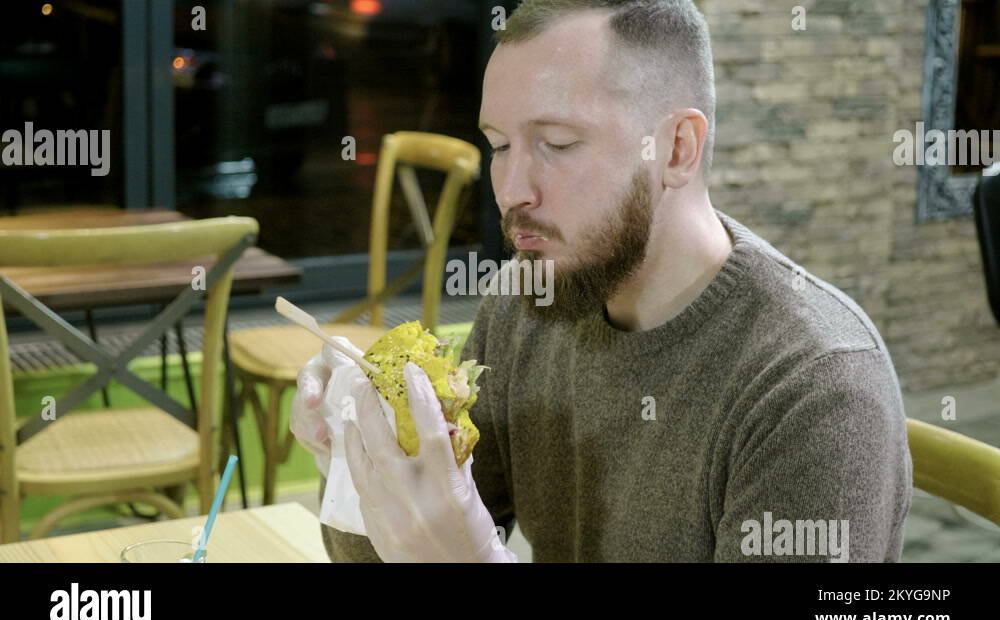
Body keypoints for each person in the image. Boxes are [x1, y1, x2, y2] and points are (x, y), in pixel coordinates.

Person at [291, 0, 913, 562]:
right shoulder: (527, 300)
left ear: (676, 149)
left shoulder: (816, 386)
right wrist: (354, 455)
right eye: (500, 146)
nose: (510, 192)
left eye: (557, 143)